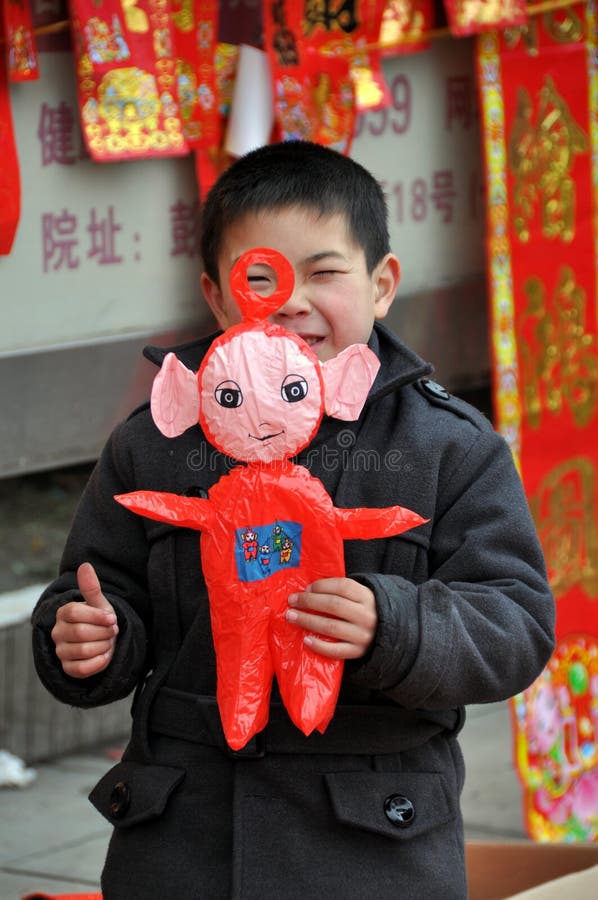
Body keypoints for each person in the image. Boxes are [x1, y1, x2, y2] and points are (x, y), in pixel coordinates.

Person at [31, 140, 555, 900]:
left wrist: (393, 625)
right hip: (184, 842)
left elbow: (516, 624)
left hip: (369, 847)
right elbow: (99, 595)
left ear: (381, 285)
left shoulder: (448, 447)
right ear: (216, 296)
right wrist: (85, 640)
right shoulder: (154, 443)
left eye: (325, 272)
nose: (295, 298)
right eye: (263, 276)